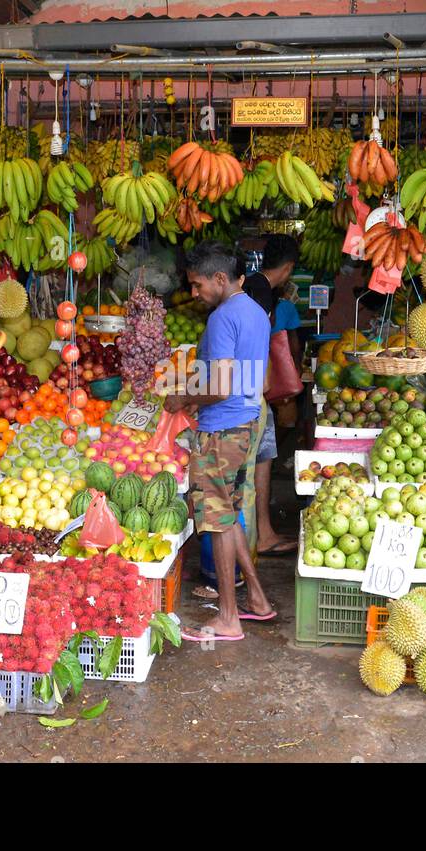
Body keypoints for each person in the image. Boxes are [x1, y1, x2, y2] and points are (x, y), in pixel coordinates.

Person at [166, 242, 275, 641]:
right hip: (246, 423)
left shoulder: (222, 318)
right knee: (228, 514)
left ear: (219, 279)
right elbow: (250, 379)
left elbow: (222, 385)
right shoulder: (256, 313)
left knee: (215, 519)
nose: (194, 294)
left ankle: (228, 616)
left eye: (197, 285)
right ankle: (257, 600)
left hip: (221, 431)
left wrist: (184, 397)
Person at [247, 234, 301, 557]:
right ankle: (260, 535)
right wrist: (267, 385)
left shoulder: (252, 285)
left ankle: (263, 532)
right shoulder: (262, 292)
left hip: (250, 390)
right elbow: (260, 342)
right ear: (289, 267)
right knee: (260, 461)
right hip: (254, 391)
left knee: (262, 459)